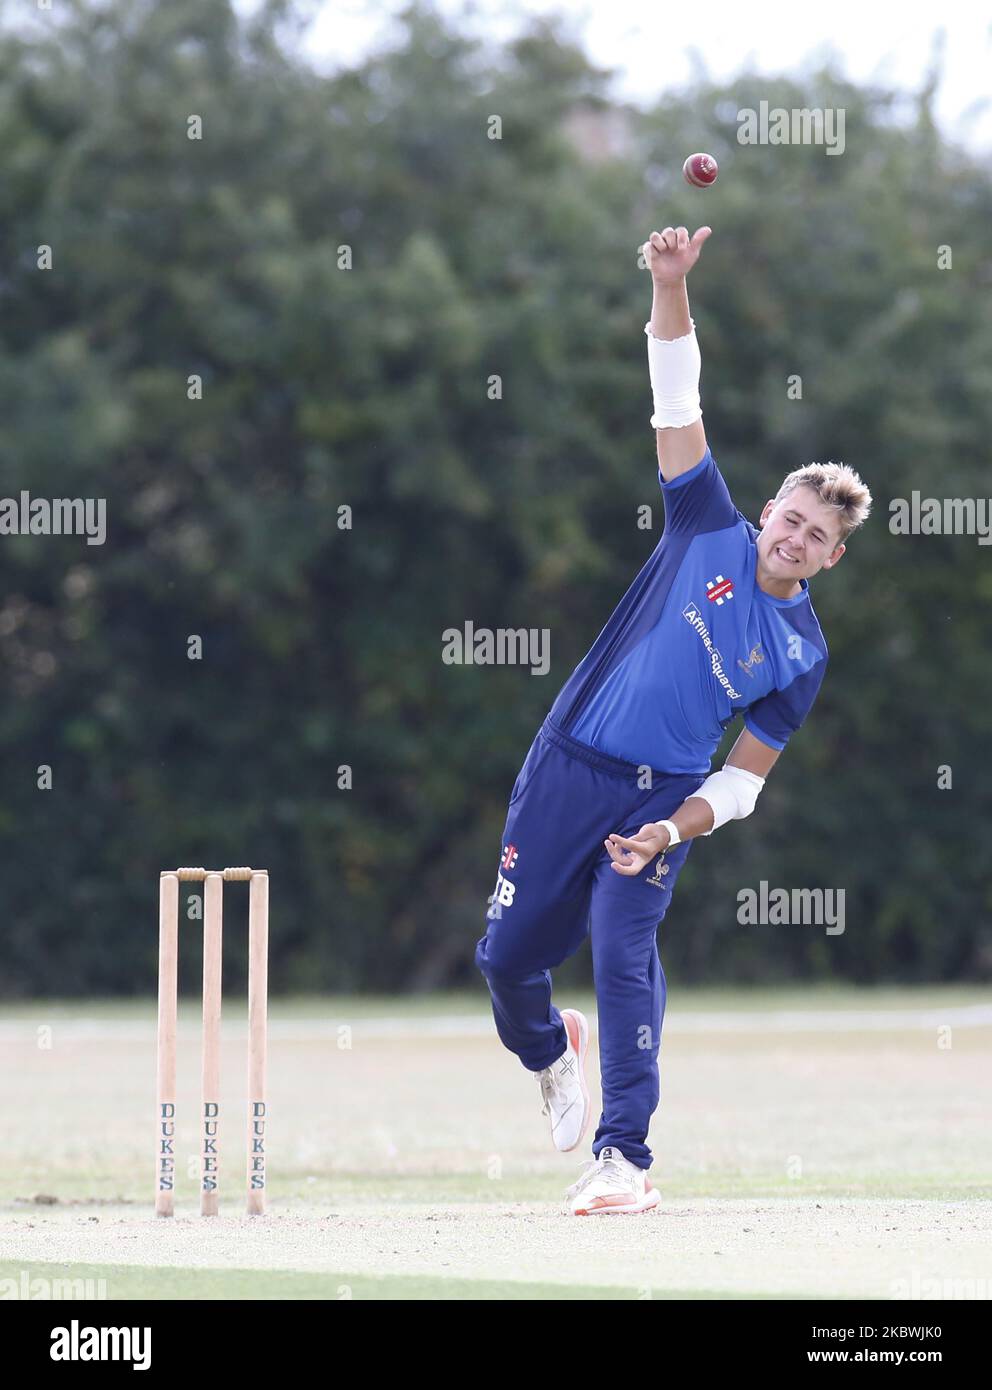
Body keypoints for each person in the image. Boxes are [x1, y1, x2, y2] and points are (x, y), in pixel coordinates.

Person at [475, 225, 872, 1215]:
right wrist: (668, 285)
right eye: (788, 516)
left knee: (620, 953)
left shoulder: (800, 654)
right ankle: (546, 1049)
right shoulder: (705, 523)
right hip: (568, 762)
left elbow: (739, 781)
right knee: (505, 961)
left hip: (656, 798)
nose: (792, 536)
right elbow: (673, 395)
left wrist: (670, 824)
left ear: (828, 560)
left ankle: (624, 1158)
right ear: (768, 510)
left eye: (814, 536)